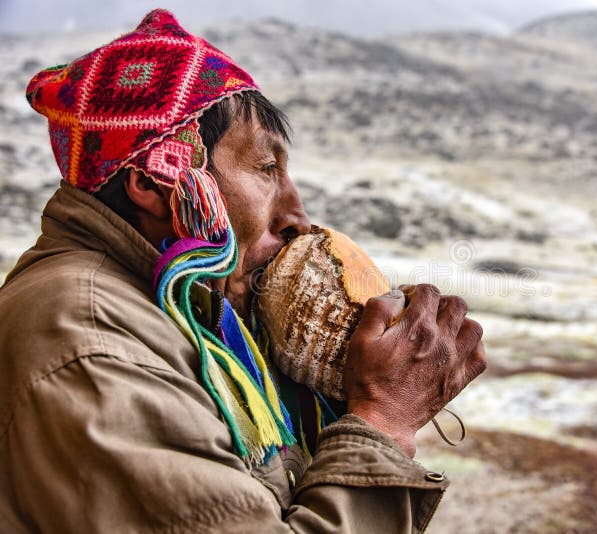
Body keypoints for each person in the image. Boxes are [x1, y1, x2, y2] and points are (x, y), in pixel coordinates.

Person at [0, 8, 486, 533]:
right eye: (266, 169)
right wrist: (384, 420)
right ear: (157, 182)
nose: (296, 215)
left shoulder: (189, 314)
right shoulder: (91, 345)